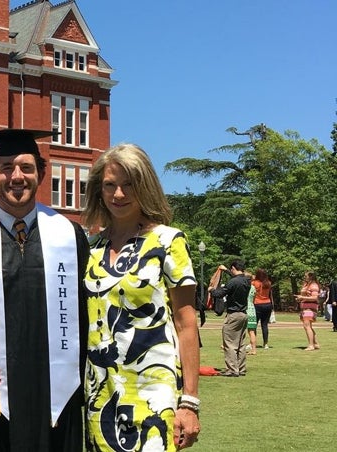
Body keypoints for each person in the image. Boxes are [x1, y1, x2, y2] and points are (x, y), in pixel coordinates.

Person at [0, 128, 89, 451]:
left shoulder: (69, 237)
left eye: (25, 167)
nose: (16, 176)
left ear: (42, 172)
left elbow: (85, 320)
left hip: (53, 400)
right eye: (6, 167)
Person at [81, 143, 201, 450]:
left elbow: (186, 323)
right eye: (110, 185)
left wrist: (189, 402)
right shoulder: (90, 250)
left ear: (144, 186)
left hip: (155, 392)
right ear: (99, 190)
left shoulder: (168, 242)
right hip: (100, 394)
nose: (118, 194)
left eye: (128, 185)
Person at [210, 260, 251, 377]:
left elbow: (219, 294)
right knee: (241, 343)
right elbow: (236, 276)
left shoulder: (232, 282)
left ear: (233, 268)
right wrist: (226, 270)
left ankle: (232, 369)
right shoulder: (247, 281)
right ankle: (241, 368)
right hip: (243, 314)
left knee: (229, 343)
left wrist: (211, 290)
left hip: (233, 315)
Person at [294, 271, 322, 351]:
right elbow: (306, 295)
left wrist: (302, 297)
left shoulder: (314, 285)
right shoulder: (306, 284)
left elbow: (315, 297)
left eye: (306, 276)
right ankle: (315, 343)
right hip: (304, 306)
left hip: (310, 307)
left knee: (307, 326)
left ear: (311, 277)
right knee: (308, 326)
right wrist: (300, 298)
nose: (304, 277)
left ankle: (311, 345)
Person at [250, 268, 274, 349]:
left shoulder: (254, 283)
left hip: (257, 304)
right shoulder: (268, 283)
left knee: (254, 325)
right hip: (267, 304)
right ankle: (265, 343)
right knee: (264, 325)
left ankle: (252, 343)